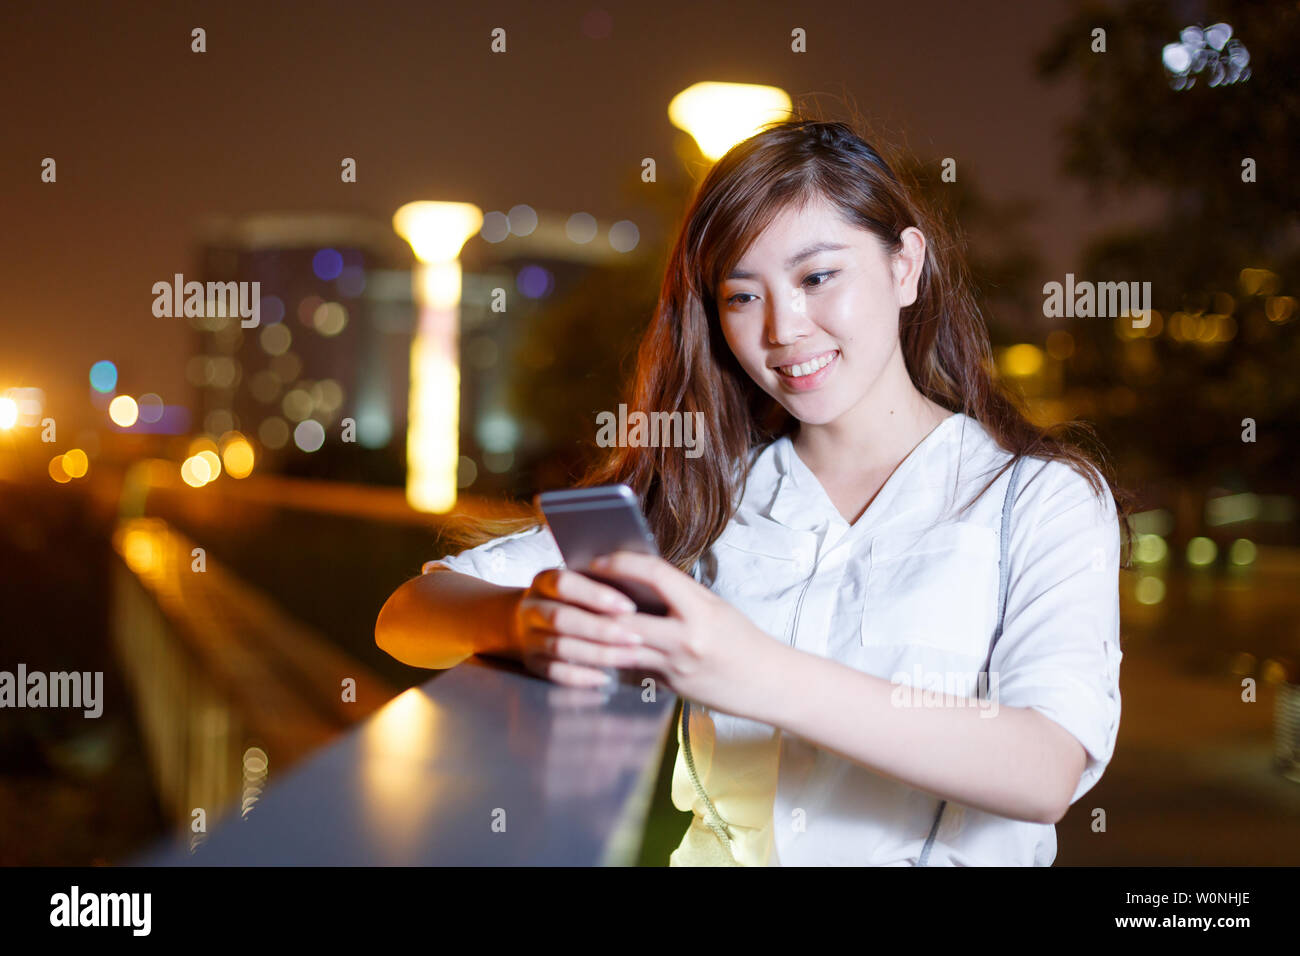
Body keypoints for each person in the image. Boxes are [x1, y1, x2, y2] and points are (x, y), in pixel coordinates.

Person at [374, 115, 1130, 866]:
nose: (783, 328)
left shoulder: (1036, 500)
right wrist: (525, 620)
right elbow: (407, 616)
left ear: (905, 267)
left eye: (817, 277)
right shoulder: (705, 496)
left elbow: (1045, 767)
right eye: (742, 297)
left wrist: (753, 671)